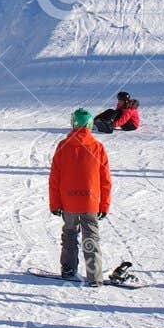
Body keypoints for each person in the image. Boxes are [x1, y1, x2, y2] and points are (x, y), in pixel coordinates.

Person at [49, 108, 112, 285]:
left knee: (69, 234)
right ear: (90, 125)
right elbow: (105, 179)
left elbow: (55, 178)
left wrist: (55, 204)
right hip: (90, 202)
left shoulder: (63, 146)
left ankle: (68, 269)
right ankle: (94, 276)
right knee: (90, 237)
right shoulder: (98, 147)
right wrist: (104, 205)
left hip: (68, 202)